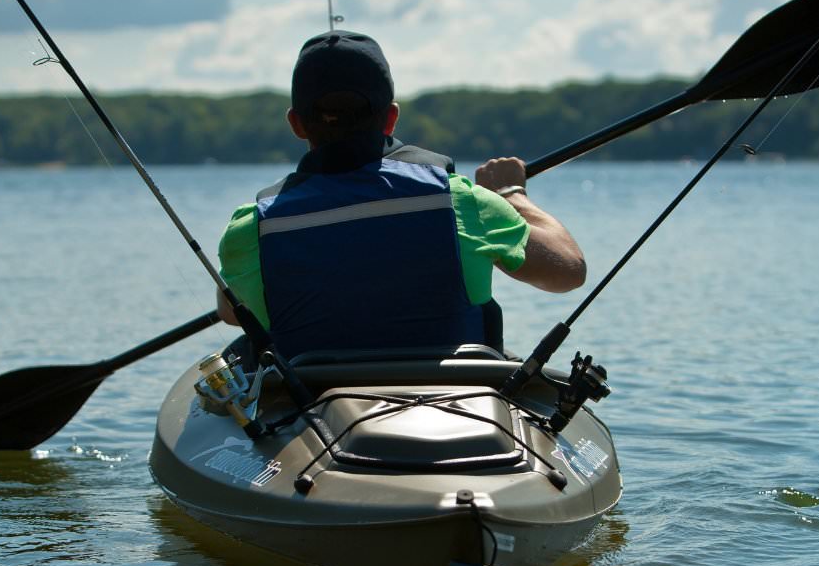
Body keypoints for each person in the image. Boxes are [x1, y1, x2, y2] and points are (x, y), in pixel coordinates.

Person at [215, 29, 585, 361]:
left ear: (296, 124)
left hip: (316, 419)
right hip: (460, 411)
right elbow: (568, 271)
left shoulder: (253, 228)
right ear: (391, 118)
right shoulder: (462, 201)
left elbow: (233, 312)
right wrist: (510, 194)